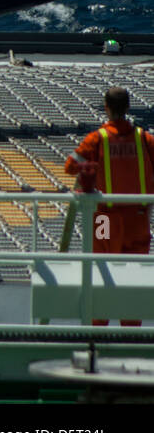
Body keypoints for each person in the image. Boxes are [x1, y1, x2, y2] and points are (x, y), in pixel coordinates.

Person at [65, 86, 154, 326]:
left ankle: (97, 332)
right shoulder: (144, 139)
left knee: (101, 273)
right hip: (138, 218)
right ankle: (130, 334)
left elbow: (71, 165)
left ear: (106, 108)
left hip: (105, 219)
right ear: (128, 108)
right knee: (133, 278)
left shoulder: (97, 139)